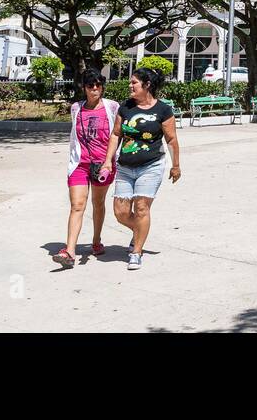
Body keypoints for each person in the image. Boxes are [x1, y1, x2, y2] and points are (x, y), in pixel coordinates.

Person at [101, 67, 180, 271]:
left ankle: (136, 251)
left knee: (142, 208)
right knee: (120, 212)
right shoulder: (126, 107)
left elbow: (171, 140)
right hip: (125, 166)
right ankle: (139, 231)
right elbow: (116, 134)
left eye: (134, 82)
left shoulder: (163, 110)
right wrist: (108, 160)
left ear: (147, 85)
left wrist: (176, 166)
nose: (130, 85)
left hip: (151, 165)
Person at [52, 70, 121, 269]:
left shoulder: (112, 107)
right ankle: (70, 251)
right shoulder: (76, 108)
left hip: (103, 165)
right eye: (90, 85)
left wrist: (111, 160)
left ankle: (96, 240)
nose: (94, 89)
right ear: (84, 87)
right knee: (77, 205)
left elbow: (117, 133)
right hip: (80, 164)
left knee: (98, 203)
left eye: (98, 85)